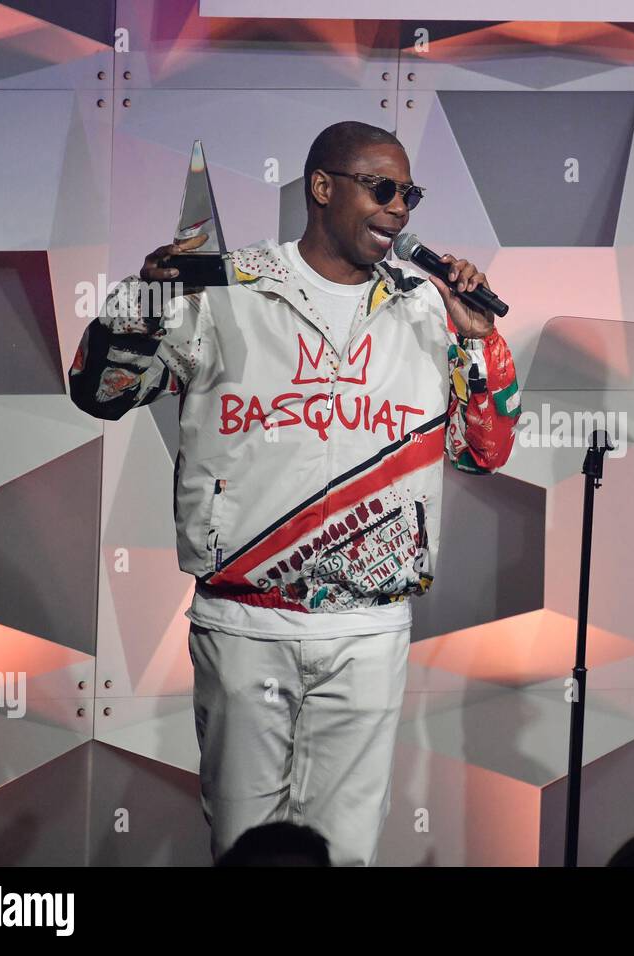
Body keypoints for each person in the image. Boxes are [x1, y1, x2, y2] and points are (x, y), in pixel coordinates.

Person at [68, 121, 522, 865]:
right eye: (381, 189)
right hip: (246, 624)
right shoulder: (227, 286)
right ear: (321, 188)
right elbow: (101, 392)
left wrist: (476, 339)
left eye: (408, 194)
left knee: (344, 851)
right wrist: (144, 301)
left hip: (369, 628)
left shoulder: (425, 303)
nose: (399, 211)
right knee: (246, 850)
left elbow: (484, 452)